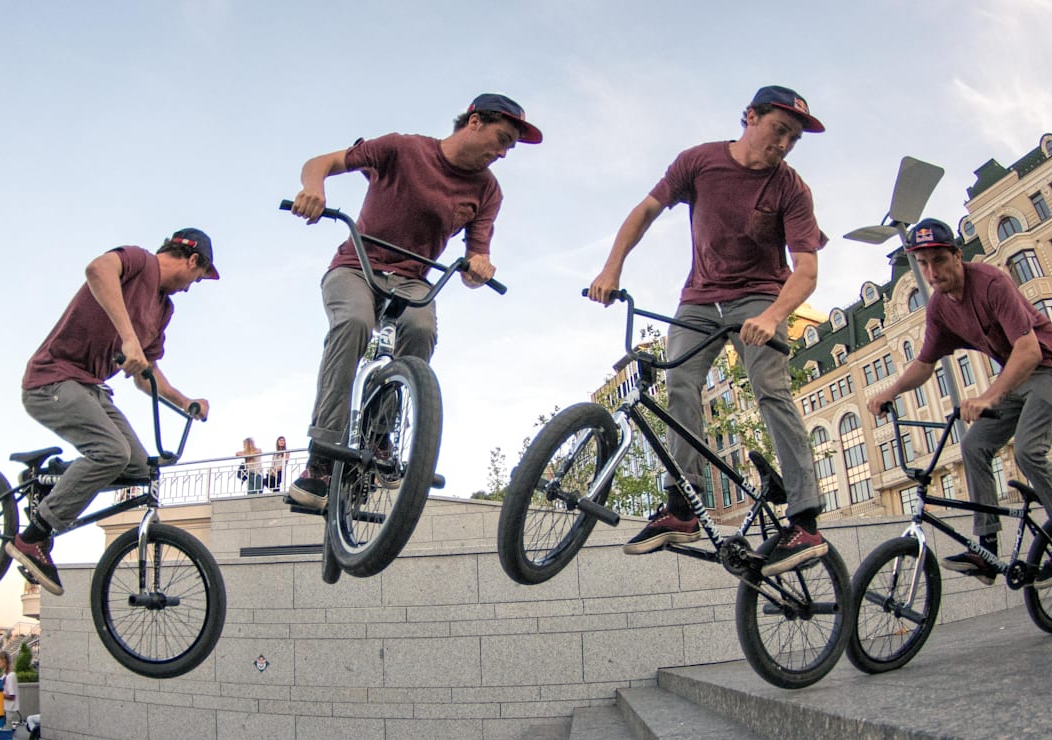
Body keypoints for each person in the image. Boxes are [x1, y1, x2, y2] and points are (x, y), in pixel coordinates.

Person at [587, 85, 830, 575]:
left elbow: (806, 269)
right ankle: (682, 506)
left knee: (770, 389)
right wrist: (612, 269)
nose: (783, 144)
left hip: (760, 297)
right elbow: (646, 211)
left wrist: (771, 316)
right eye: (778, 131)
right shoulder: (699, 162)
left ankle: (804, 519)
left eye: (793, 139)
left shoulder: (791, 188)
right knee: (679, 384)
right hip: (699, 299)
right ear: (750, 117)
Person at [287, 93, 543, 509]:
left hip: (413, 280)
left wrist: (479, 266)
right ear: (474, 121)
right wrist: (312, 188)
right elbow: (323, 162)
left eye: (509, 147)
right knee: (353, 324)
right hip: (357, 266)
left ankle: (380, 434)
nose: (502, 153)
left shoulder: (488, 191)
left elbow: (478, 254)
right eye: (501, 139)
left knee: (421, 330)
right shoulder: (403, 148)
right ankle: (321, 457)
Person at [868, 218, 1052, 588]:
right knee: (973, 444)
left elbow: (1029, 350)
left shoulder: (991, 283)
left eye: (939, 261)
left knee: (1029, 452)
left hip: (1049, 369)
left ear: (957, 255)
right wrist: (892, 391)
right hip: (1015, 380)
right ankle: (985, 549)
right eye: (923, 264)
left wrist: (988, 396)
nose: (932, 273)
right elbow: (924, 364)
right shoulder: (939, 308)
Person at [8, 229, 216, 596]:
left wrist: (185, 402)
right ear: (192, 259)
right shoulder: (139, 261)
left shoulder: (164, 309)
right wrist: (128, 336)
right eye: (198, 278)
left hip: (91, 388)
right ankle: (33, 536)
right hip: (51, 379)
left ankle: (51, 480)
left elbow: (145, 376)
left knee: (136, 466)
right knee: (111, 452)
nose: (191, 287)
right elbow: (96, 270)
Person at [0, 650, 20, 728]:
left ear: (4, 661)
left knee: (7, 731)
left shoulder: (11, 676)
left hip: (10, 709)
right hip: (5, 708)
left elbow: (12, 696)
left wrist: (0, 694)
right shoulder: (4, 675)